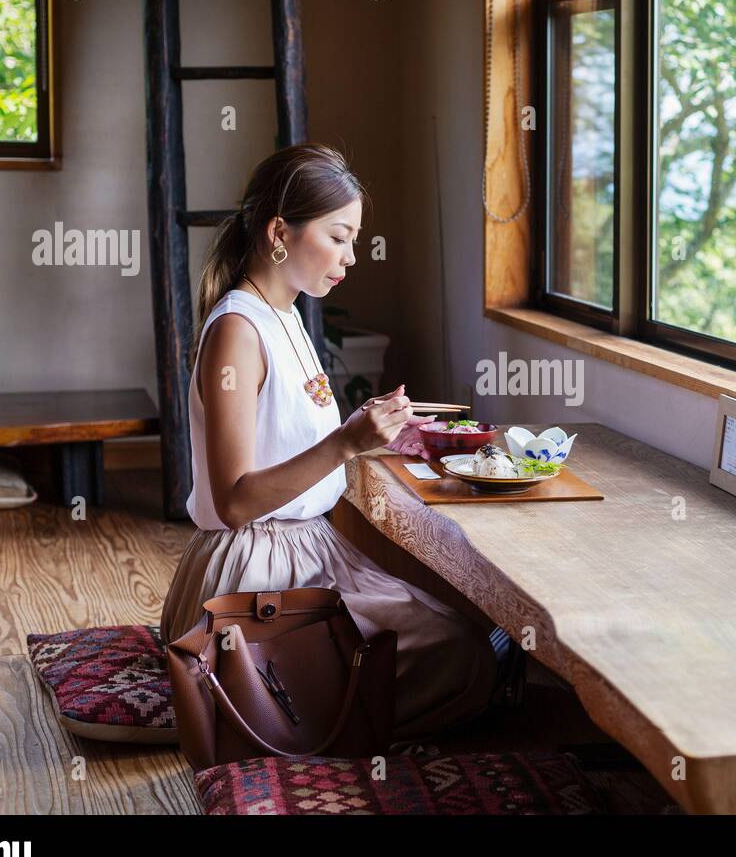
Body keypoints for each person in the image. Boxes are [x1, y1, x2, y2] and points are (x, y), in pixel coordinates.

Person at [159, 143, 499, 744]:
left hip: (307, 549)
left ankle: (319, 717)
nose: (351, 256)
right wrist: (346, 442)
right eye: (339, 237)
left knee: (458, 634)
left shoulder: (284, 313)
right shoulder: (238, 331)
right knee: (461, 653)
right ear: (279, 233)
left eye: (355, 239)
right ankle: (288, 725)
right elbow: (235, 501)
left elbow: (287, 440)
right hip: (254, 571)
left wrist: (372, 433)